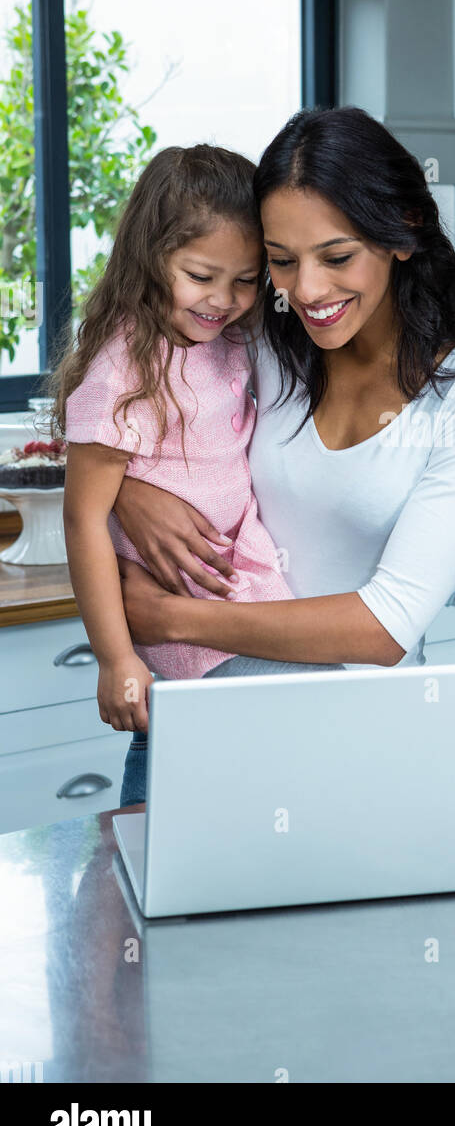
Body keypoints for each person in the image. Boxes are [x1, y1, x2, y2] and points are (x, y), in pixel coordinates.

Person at [106, 106, 455, 739]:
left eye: (336, 257)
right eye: (281, 260)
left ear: (402, 232)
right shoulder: (262, 336)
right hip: (201, 715)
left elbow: (386, 627)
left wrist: (171, 619)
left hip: (358, 735)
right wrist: (131, 492)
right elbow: (104, 400)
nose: (306, 290)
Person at [51, 146, 298, 805]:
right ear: (149, 258)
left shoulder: (233, 338)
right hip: (190, 632)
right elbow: (83, 520)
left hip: (242, 598)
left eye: (245, 280)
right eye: (200, 275)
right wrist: (115, 659)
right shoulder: (121, 375)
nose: (223, 300)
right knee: (188, 809)